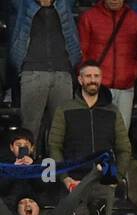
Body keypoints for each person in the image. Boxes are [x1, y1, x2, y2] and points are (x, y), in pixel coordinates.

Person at [48, 61, 132, 215]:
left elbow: (124, 148)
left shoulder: (113, 111)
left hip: (103, 183)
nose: (93, 80)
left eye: (96, 76)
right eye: (88, 76)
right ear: (80, 80)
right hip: (74, 183)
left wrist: (116, 178)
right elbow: (54, 146)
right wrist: (65, 178)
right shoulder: (65, 109)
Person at [11, 0, 81, 148]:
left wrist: (71, 62)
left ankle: (60, 169)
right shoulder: (23, 4)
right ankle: (28, 169)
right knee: (29, 130)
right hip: (32, 71)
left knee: (62, 130)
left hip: (62, 71)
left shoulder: (64, 4)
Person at [77, 0, 137, 127]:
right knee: (95, 135)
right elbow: (82, 51)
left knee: (121, 135)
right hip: (97, 87)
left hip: (125, 86)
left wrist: (133, 74)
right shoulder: (89, 17)